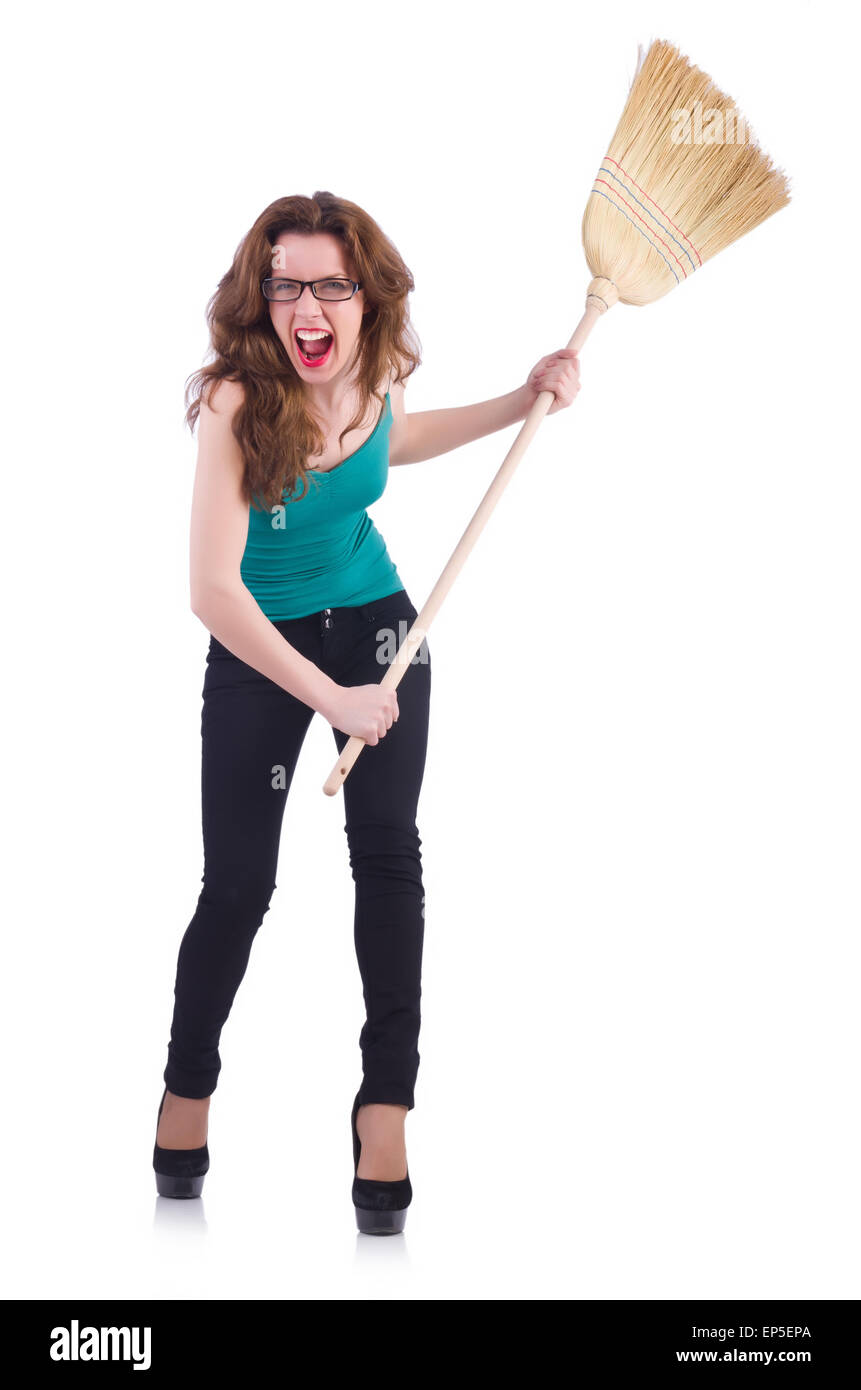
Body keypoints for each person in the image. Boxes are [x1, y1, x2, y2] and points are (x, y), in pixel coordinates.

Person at [152, 190, 581, 1226]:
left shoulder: (378, 371)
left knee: (389, 856)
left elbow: (399, 434)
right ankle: (185, 1090)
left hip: (382, 625)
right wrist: (331, 697)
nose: (308, 303)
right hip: (263, 645)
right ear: (263, 295)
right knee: (240, 885)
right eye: (286, 282)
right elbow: (212, 591)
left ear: (363, 296)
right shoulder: (234, 402)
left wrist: (521, 402)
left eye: (329, 284)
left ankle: (384, 1105)